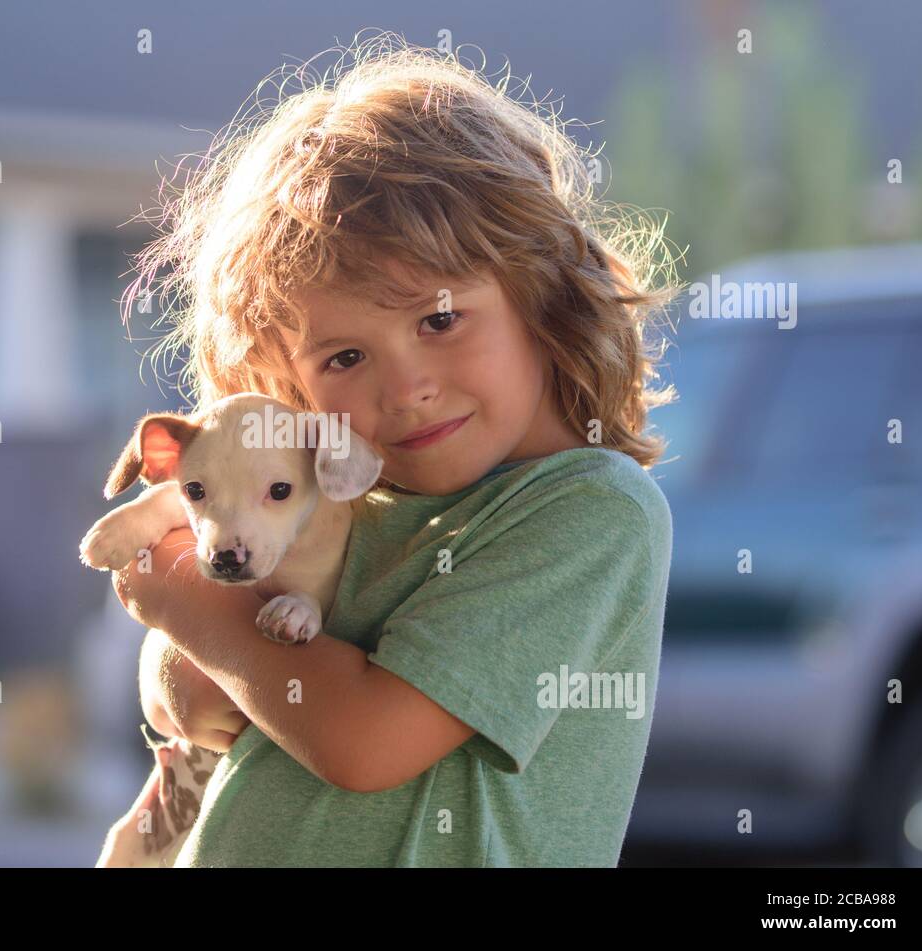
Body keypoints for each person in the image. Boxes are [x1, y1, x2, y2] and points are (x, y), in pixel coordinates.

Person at [109, 35, 678, 866]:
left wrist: (175, 594)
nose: (405, 387)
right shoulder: (335, 504)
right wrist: (184, 652)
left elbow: (363, 741)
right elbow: (191, 708)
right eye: (345, 356)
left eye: (439, 319)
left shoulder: (589, 510)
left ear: (538, 288)